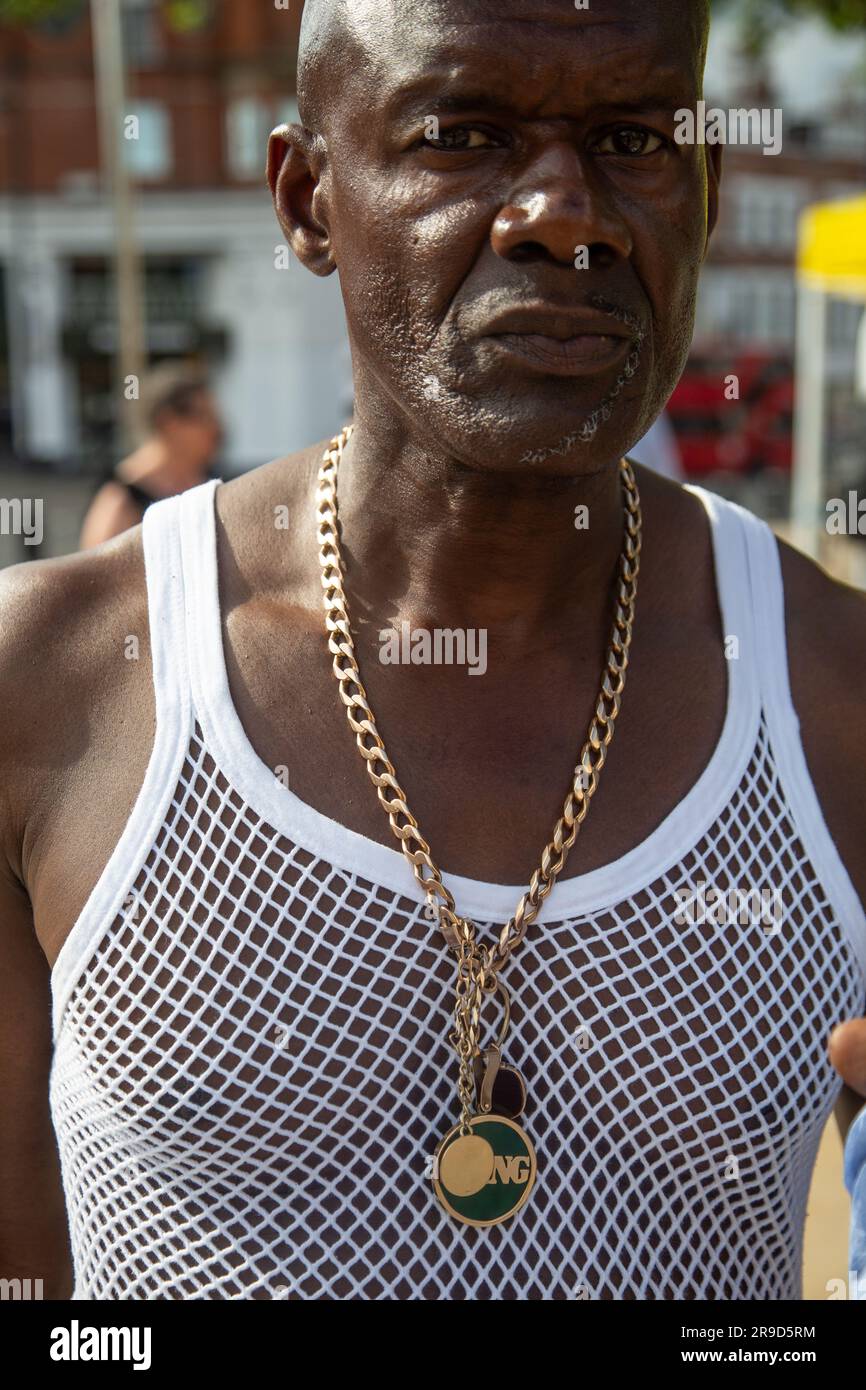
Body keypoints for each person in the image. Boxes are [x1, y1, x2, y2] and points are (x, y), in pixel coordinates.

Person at [1, 0, 866, 1302]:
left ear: (703, 188)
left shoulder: (832, 694)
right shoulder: (54, 682)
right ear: (306, 200)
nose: (562, 214)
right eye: (462, 134)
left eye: (631, 139)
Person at [79, 363, 222, 549]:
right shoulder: (121, 500)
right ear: (168, 422)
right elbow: (95, 564)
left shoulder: (208, 483)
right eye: (204, 416)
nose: (216, 428)